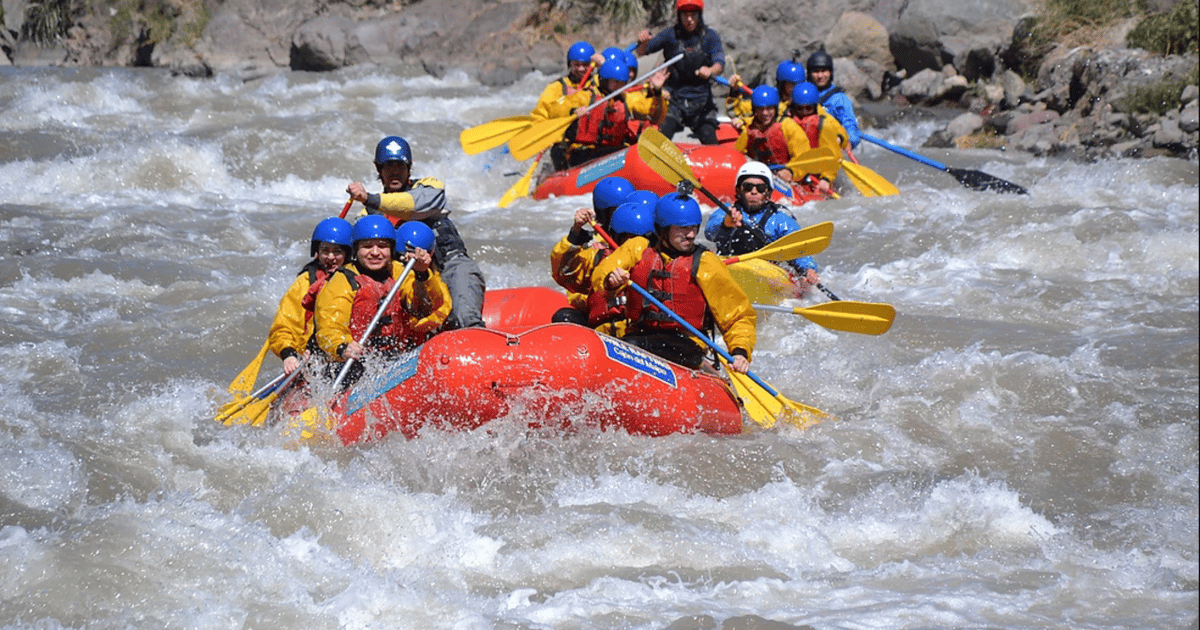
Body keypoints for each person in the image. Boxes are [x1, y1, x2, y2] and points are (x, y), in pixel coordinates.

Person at [593, 192, 756, 373]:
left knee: (631, 345)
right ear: (663, 229)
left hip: (686, 345)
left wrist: (740, 351)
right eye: (682, 229)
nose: (691, 235)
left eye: (694, 227)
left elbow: (737, 314)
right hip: (640, 333)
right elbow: (601, 273)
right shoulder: (638, 248)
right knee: (619, 342)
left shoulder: (705, 263)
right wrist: (611, 280)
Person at [347, 135, 486, 329]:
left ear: (409, 167)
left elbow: (412, 204)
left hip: (449, 267)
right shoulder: (367, 216)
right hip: (408, 278)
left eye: (400, 166)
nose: (395, 172)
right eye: (389, 166)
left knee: (465, 314)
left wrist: (370, 198)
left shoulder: (431, 187)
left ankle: (472, 329)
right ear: (378, 169)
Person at [314, 216, 451, 385]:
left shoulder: (401, 272)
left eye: (382, 246)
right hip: (356, 361)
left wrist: (422, 274)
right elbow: (329, 326)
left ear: (391, 249)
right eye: (367, 246)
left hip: (397, 358)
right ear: (356, 249)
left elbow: (424, 309)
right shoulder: (342, 280)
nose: (375, 252)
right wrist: (342, 347)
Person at [550, 180, 656, 330]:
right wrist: (575, 233)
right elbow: (564, 274)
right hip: (605, 318)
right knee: (564, 316)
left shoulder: (661, 257)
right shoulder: (597, 249)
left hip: (640, 325)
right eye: (617, 210)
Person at [704, 161, 820, 297]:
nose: (754, 192)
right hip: (731, 267)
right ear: (739, 190)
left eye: (760, 188)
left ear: (768, 192)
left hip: (767, 274)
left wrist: (808, 269)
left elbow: (797, 248)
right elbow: (709, 233)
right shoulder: (726, 212)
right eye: (748, 187)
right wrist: (726, 223)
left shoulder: (780, 219)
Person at [267, 216, 354, 375]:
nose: (330, 257)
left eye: (337, 252)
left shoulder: (357, 278)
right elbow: (284, 325)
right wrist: (288, 354)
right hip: (313, 357)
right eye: (325, 251)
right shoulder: (305, 282)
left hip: (349, 350)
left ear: (348, 253)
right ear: (317, 252)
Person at [635, 0, 725, 145]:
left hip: (702, 102)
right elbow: (642, 51)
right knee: (662, 134)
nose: (689, 19)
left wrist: (710, 70)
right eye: (685, 15)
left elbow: (719, 63)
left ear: (699, 15)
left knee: (709, 136)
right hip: (674, 100)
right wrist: (643, 41)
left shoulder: (710, 36)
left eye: (693, 15)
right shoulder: (669, 35)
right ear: (679, 16)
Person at [552, 57, 664, 170]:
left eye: (622, 83)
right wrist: (573, 112)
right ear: (604, 81)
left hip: (611, 152)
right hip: (582, 152)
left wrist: (658, 92)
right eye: (615, 82)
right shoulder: (585, 97)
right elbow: (557, 108)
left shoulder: (626, 99)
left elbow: (653, 113)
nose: (619, 86)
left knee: (628, 148)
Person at [781, 81, 849, 192]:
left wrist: (826, 178)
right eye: (800, 108)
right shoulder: (785, 118)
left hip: (814, 173)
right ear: (794, 107)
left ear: (814, 107)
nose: (804, 112)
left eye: (808, 108)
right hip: (791, 168)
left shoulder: (823, 123)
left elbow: (832, 155)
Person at [727, 60, 805, 129]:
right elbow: (734, 111)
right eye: (792, 84)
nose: (797, 88)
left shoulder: (808, 105)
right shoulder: (768, 101)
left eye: (800, 84)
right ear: (782, 84)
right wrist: (734, 91)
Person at [530, 40, 597, 122]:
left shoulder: (599, 84)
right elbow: (538, 117)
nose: (581, 69)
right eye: (576, 64)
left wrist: (602, 63)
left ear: (592, 65)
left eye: (585, 64)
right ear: (570, 64)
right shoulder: (555, 87)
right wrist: (572, 111)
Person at [806, 50, 860, 149]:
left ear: (830, 73)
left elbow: (850, 125)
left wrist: (848, 140)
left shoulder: (839, 99)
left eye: (824, 71)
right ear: (809, 73)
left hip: (829, 149)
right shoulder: (802, 94)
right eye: (816, 71)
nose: (820, 76)